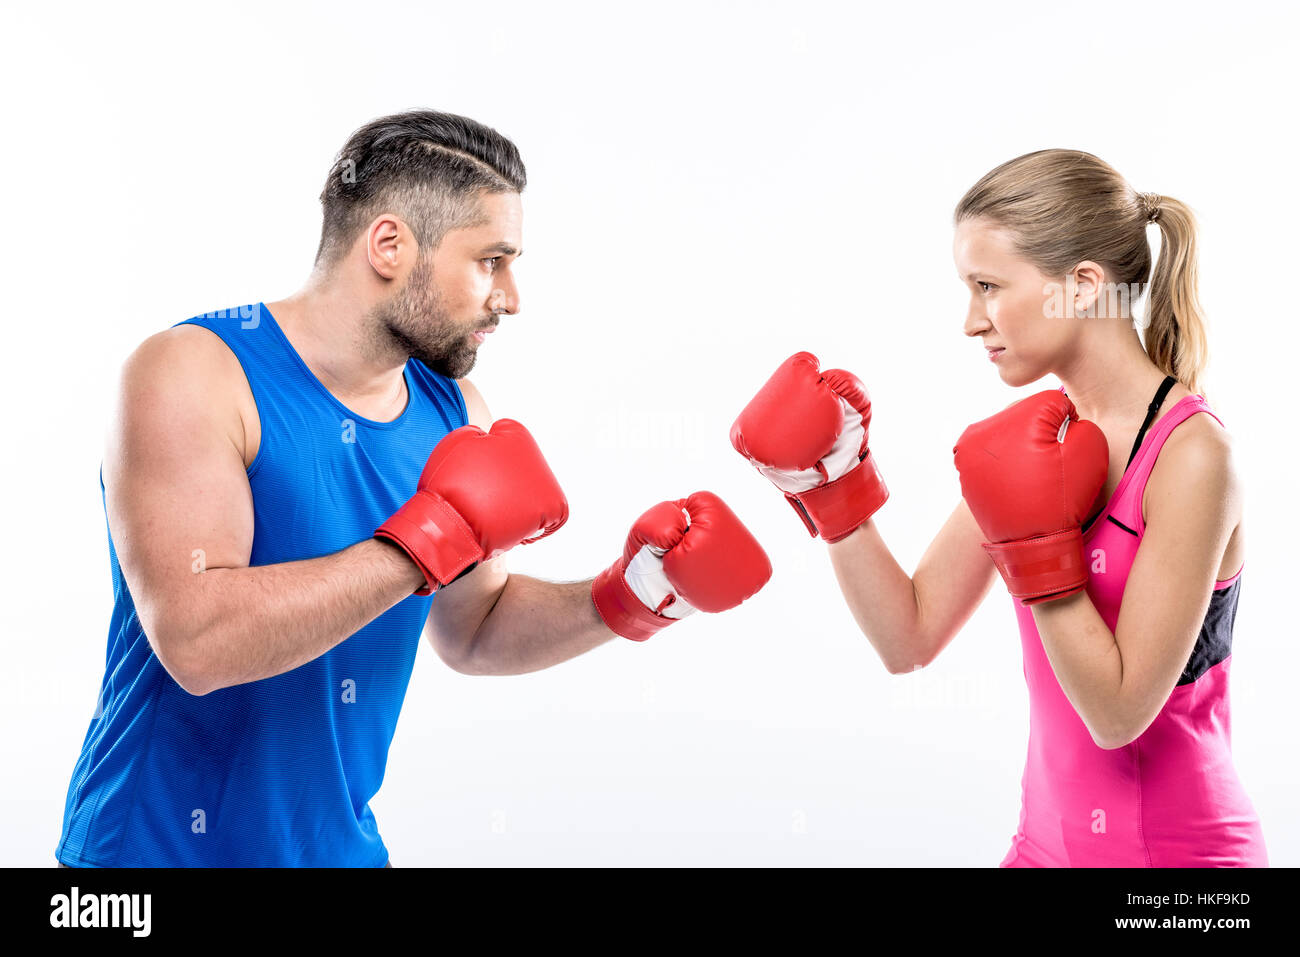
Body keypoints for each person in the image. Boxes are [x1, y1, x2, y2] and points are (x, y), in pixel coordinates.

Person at [56, 110, 771, 868]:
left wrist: (628, 595)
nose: (513, 296)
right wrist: (427, 540)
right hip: (147, 861)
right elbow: (197, 643)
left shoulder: (456, 417)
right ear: (390, 245)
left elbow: (476, 627)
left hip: (344, 851)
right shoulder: (193, 373)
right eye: (491, 260)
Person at [731, 149, 1267, 867]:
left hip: (1176, 868)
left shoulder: (1193, 456)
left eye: (988, 286)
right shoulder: (1041, 439)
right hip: (1042, 847)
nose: (971, 321)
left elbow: (1116, 713)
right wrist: (833, 492)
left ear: (1081, 286)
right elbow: (908, 636)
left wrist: (1037, 547)